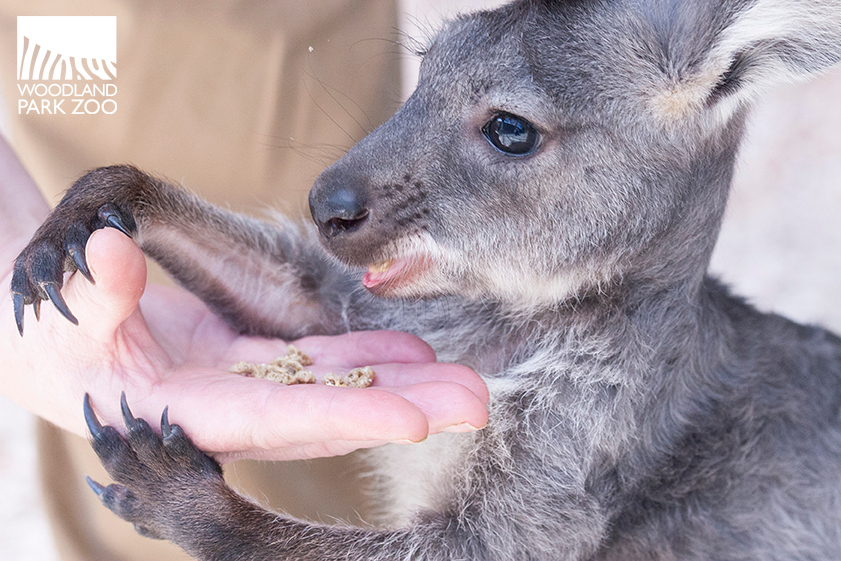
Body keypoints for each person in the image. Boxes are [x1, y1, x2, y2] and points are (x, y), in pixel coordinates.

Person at [0, 2, 488, 559]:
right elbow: (303, 295)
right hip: (75, 28)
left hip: (284, 35)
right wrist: (13, 257)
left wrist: (230, 530)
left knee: (327, 438)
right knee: (107, 357)